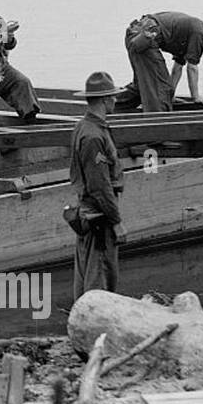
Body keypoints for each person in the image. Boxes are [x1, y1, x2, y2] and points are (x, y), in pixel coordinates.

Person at [69, 71, 126, 296]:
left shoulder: (84, 127)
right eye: (112, 96)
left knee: (85, 276)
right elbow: (100, 185)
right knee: (99, 283)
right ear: (104, 100)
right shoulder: (93, 136)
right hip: (99, 220)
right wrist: (116, 221)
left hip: (88, 214)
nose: (115, 100)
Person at [116, 11, 203, 113]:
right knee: (160, 89)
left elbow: (177, 68)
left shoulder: (190, 32)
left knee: (142, 86)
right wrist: (196, 97)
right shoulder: (199, 34)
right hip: (145, 39)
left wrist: (170, 95)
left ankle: (108, 105)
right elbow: (192, 68)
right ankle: (157, 129)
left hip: (136, 35)